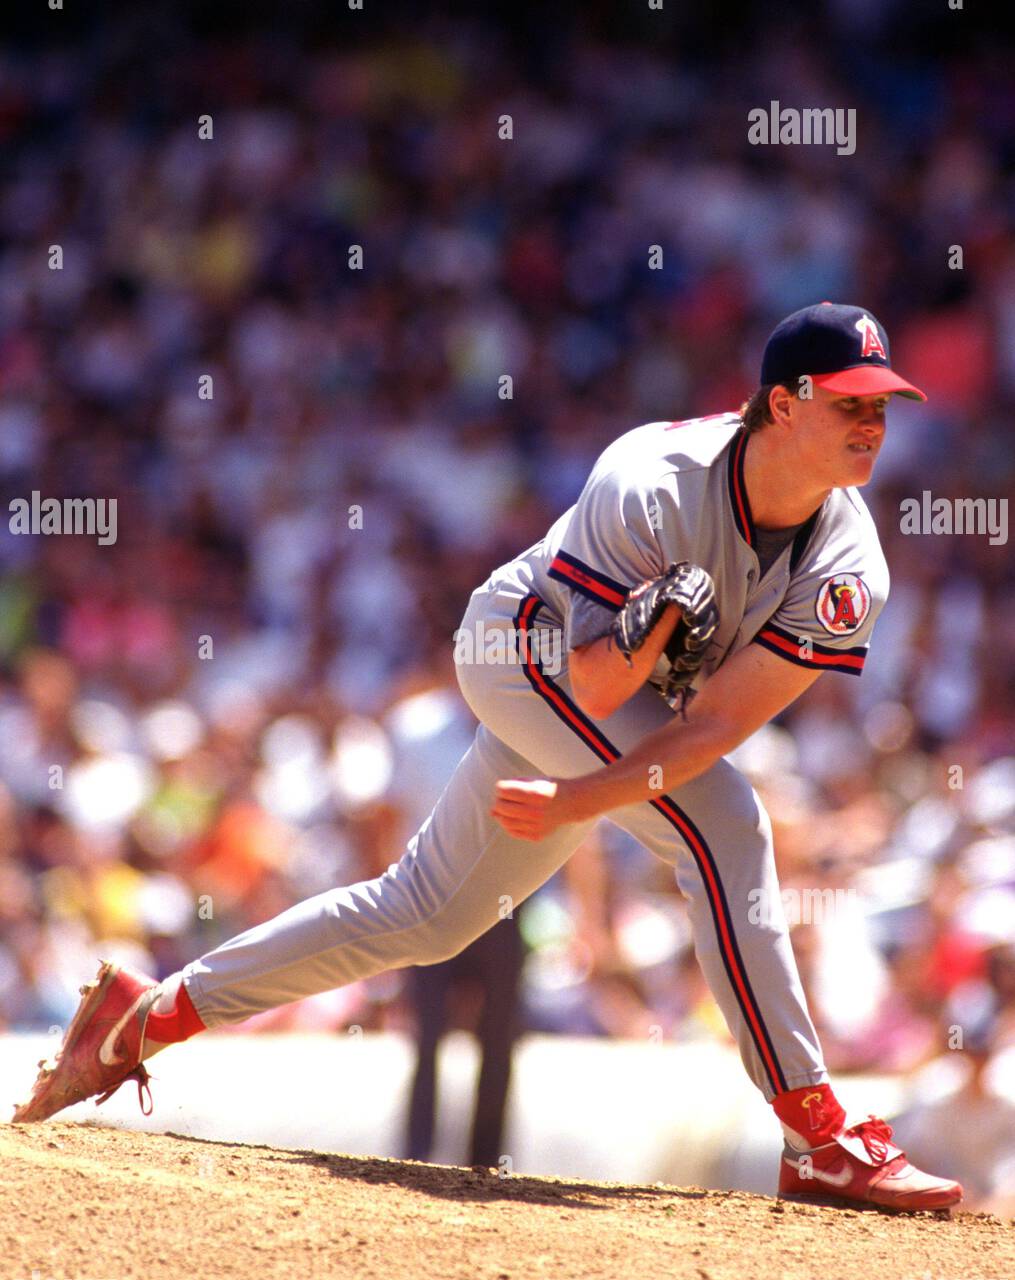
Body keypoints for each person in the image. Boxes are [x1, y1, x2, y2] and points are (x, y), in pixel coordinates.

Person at [13, 303, 962, 1212]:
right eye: (849, 402)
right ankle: (819, 1133)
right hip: (522, 651)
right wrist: (641, 655)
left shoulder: (850, 565)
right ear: (784, 404)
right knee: (725, 826)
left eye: (880, 405)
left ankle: (145, 1018)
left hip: (618, 714)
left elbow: (711, 727)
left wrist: (578, 799)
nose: (872, 424)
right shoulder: (656, 478)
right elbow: (591, 690)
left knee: (423, 916)